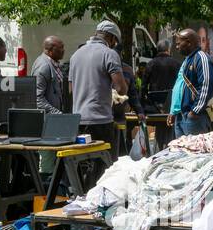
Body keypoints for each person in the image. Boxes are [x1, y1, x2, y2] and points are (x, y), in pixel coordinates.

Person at [69, 20, 129, 150]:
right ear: (111, 38)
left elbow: (71, 90)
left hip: (78, 120)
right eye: (115, 42)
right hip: (100, 120)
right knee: (106, 166)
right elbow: (121, 89)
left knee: (83, 163)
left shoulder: (75, 55)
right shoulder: (109, 54)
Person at [168, 27, 213, 138]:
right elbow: (179, 86)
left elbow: (206, 86)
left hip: (194, 118)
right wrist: (173, 111)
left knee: (196, 154)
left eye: (179, 43)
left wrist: (194, 112)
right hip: (181, 115)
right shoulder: (187, 60)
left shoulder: (202, 58)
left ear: (189, 43)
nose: (177, 46)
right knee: (181, 153)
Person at [143, 39, 181, 149]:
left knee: (159, 134)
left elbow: (143, 87)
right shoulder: (177, 64)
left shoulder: (150, 64)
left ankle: (159, 148)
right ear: (168, 49)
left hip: (155, 108)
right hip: (172, 107)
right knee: (172, 136)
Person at [31, 36, 66, 113]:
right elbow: (38, 99)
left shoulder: (53, 63)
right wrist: (57, 113)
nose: (63, 50)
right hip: (49, 118)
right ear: (50, 51)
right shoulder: (43, 66)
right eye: (60, 48)